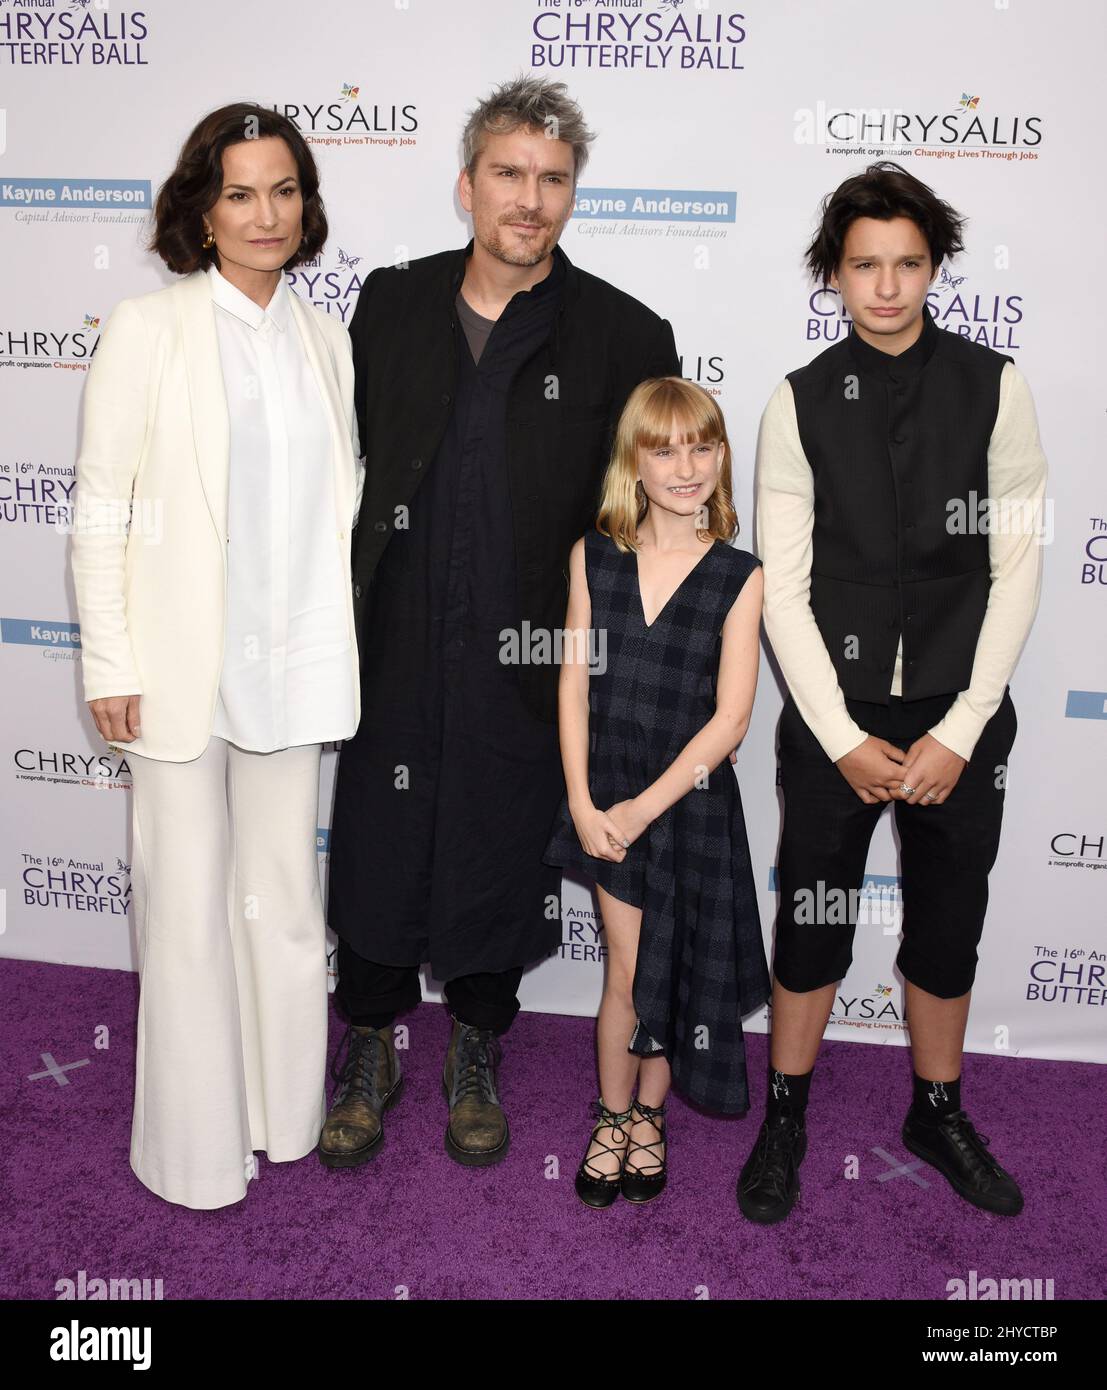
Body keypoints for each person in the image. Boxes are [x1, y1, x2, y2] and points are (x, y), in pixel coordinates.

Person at [318, 76, 682, 1171]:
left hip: (532, 655)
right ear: (467, 185)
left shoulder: (626, 332)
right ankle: (371, 1042)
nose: (531, 199)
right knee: (381, 843)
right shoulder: (387, 304)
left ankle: (475, 1041)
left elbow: (645, 516)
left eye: (554, 179)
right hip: (395, 637)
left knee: (496, 837)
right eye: (510, 174)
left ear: (574, 194)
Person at [742, 160, 1047, 1224]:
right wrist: (837, 734)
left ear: (934, 266)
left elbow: (1019, 567)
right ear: (833, 271)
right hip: (837, 719)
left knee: (948, 920)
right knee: (812, 921)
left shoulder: (994, 385)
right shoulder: (797, 402)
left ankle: (938, 1107)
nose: (886, 286)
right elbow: (782, 590)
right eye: (865, 264)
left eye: (907, 263)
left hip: (960, 721)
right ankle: (786, 1109)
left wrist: (962, 726)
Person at [70, 103, 362, 1209]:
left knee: (284, 904)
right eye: (240, 192)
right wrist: (111, 663)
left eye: (284, 190)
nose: (266, 214)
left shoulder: (325, 340)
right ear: (201, 208)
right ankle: (192, 1153)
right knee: (186, 906)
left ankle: (281, 1120)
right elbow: (102, 508)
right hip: (178, 669)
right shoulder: (151, 328)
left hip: (292, 665)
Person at [542, 377, 769, 1207]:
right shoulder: (593, 556)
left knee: (670, 973)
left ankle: (648, 1114)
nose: (684, 466)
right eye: (664, 448)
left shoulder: (739, 576)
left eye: (701, 446)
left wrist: (645, 808)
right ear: (633, 461)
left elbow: (731, 718)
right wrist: (581, 801)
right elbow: (571, 683)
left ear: (721, 457)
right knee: (628, 972)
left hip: (689, 803)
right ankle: (609, 1116)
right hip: (604, 797)